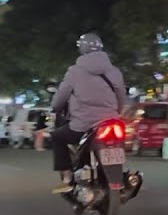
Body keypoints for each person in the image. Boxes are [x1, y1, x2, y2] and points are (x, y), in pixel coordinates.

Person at [49, 32, 125, 193]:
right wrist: (115, 113)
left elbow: (61, 95)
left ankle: (67, 177)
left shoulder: (74, 71)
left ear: (82, 49)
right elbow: (121, 98)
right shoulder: (114, 71)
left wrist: (55, 107)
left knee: (58, 136)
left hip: (83, 124)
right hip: (110, 122)